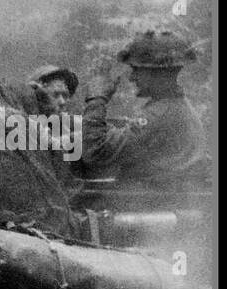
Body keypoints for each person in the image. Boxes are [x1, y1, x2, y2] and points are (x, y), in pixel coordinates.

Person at [82, 31, 204, 184]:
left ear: (158, 73)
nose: (132, 77)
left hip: (148, 201)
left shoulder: (159, 114)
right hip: (158, 196)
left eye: (136, 70)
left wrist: (97, 98)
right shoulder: (174, 106)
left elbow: (94, 153)